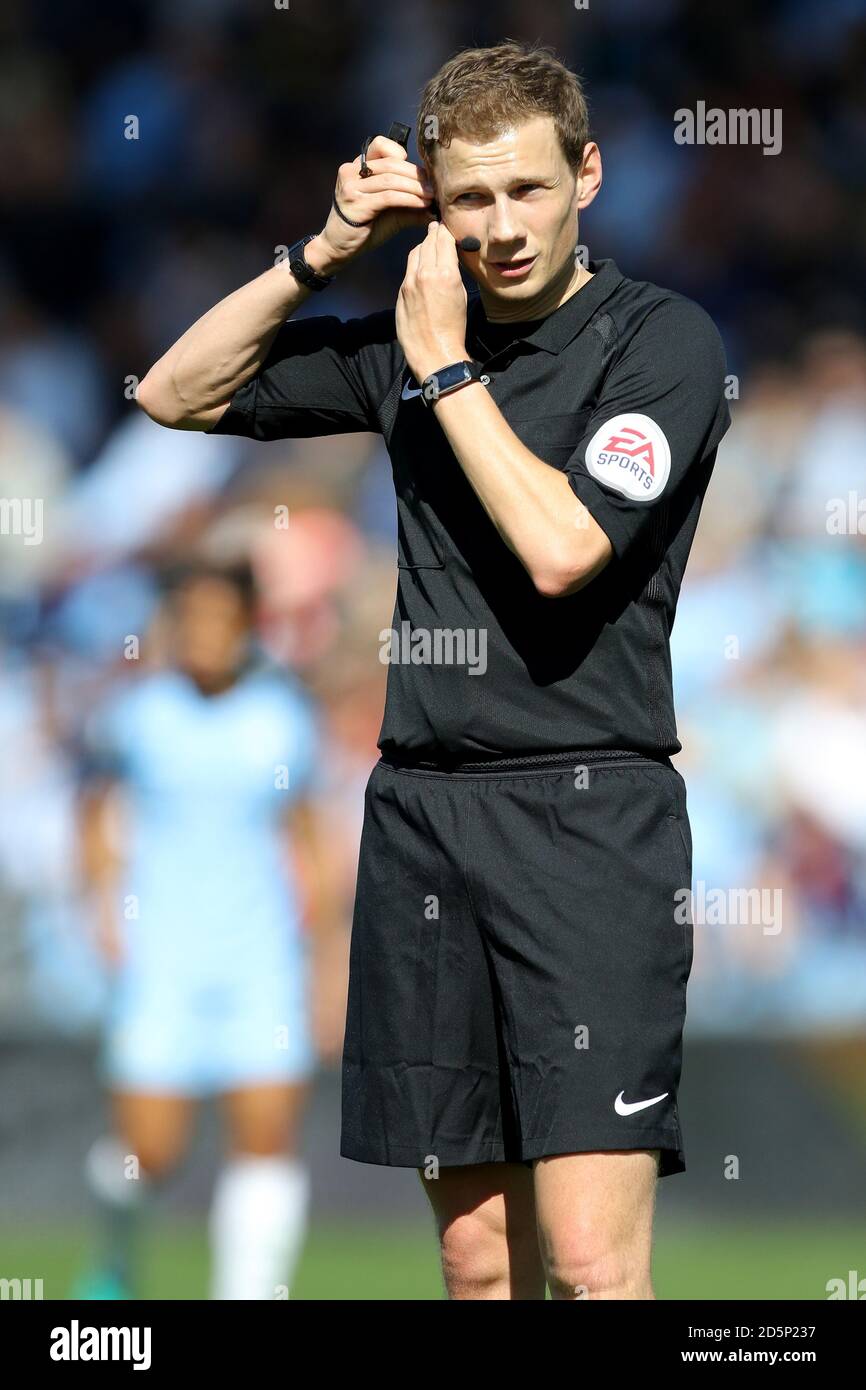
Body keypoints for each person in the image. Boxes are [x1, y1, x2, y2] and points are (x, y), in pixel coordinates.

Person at [136, 39, 731, 1300]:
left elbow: (566, 547)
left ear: (588, 174)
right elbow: (172, 394)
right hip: (421, 818)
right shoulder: (400, 337)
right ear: (435, 204)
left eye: (526, 190)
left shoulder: (660, 344)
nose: (502, 226)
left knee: (587, 1266)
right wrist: (321, 254)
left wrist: (444, 370)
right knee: (472, 1265)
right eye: (470, 199)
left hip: (589, 823)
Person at [74, 558, 345, 1299]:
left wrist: (325, 956)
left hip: (261, 962)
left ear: (246, 626)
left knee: (265, 1143)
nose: (202, 634)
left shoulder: (280, 719)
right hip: (161, 958)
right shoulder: (138, 715)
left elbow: (312, 838)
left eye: (218, 619)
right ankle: (116, 1263)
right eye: (189, 618)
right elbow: (96, 813)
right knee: (148, 1153)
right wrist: (101, 907)